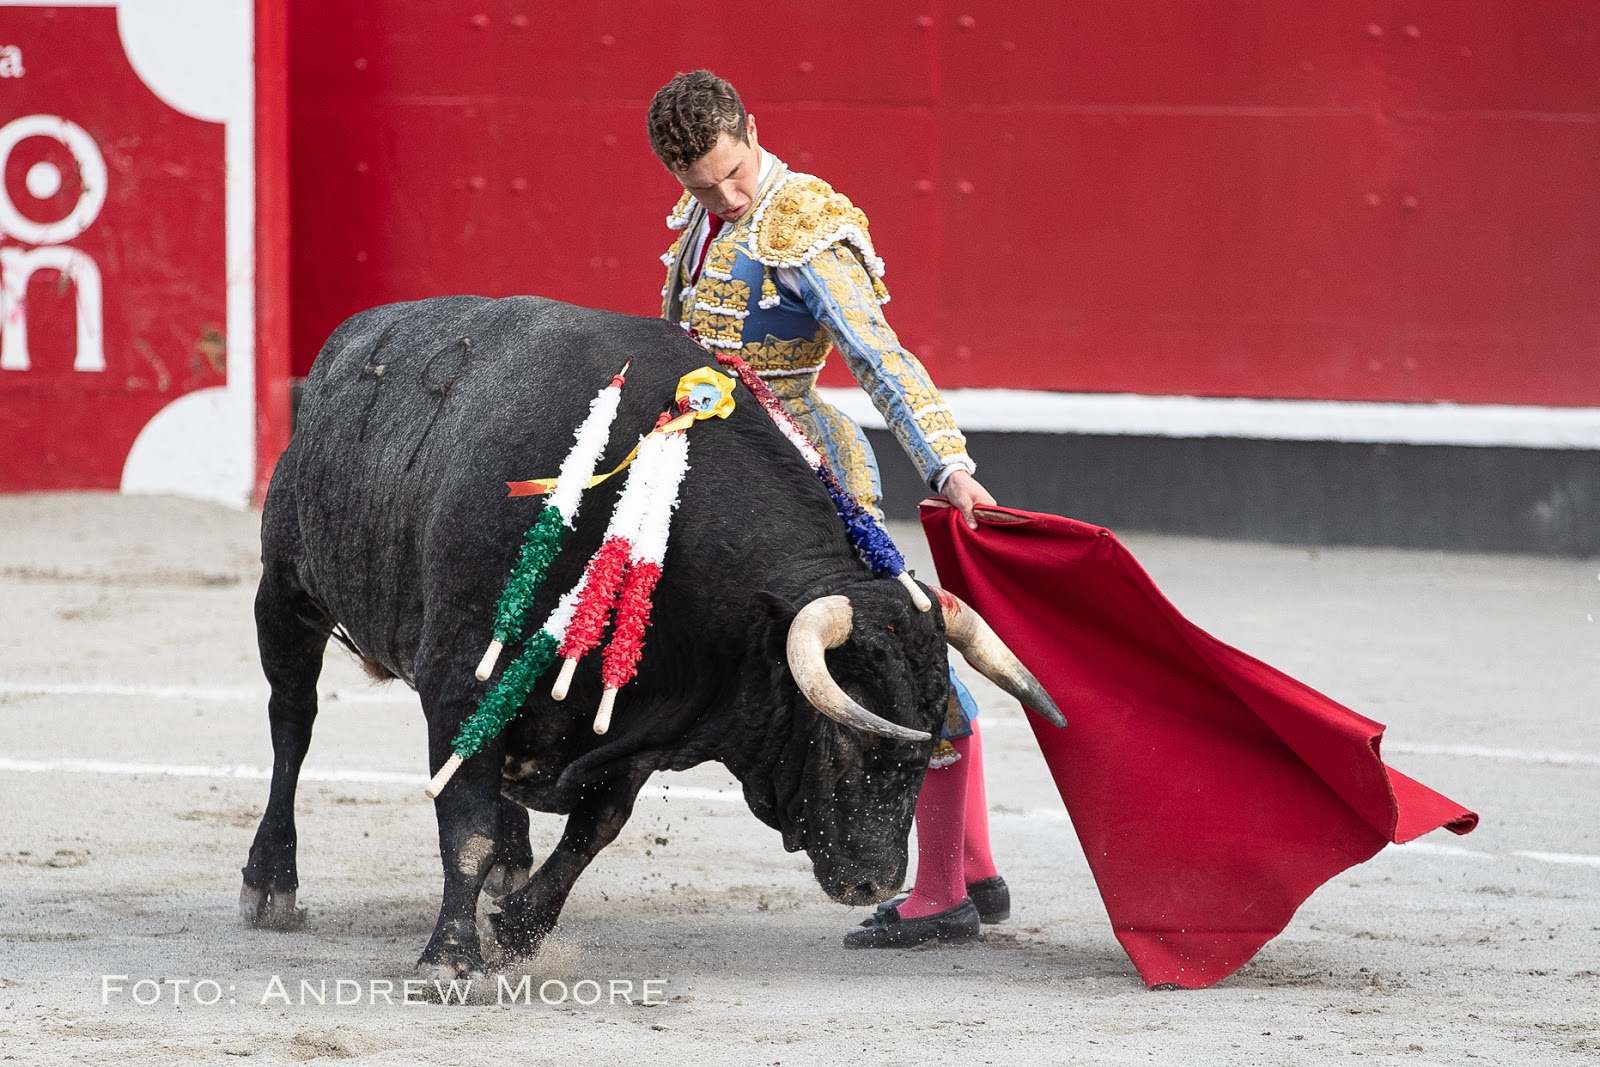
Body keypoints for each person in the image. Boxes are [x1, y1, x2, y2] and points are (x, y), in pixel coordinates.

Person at [646, 70, 1009, 948]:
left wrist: (949, 465)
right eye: (703, 186)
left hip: (811, 482)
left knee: (895, 660)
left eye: (733, 174)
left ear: (753, 128)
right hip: (728, 476)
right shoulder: (698, 220)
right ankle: (974, 869)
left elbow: (878, 355)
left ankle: (941, 895)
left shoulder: (803, 221)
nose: (727, 198)